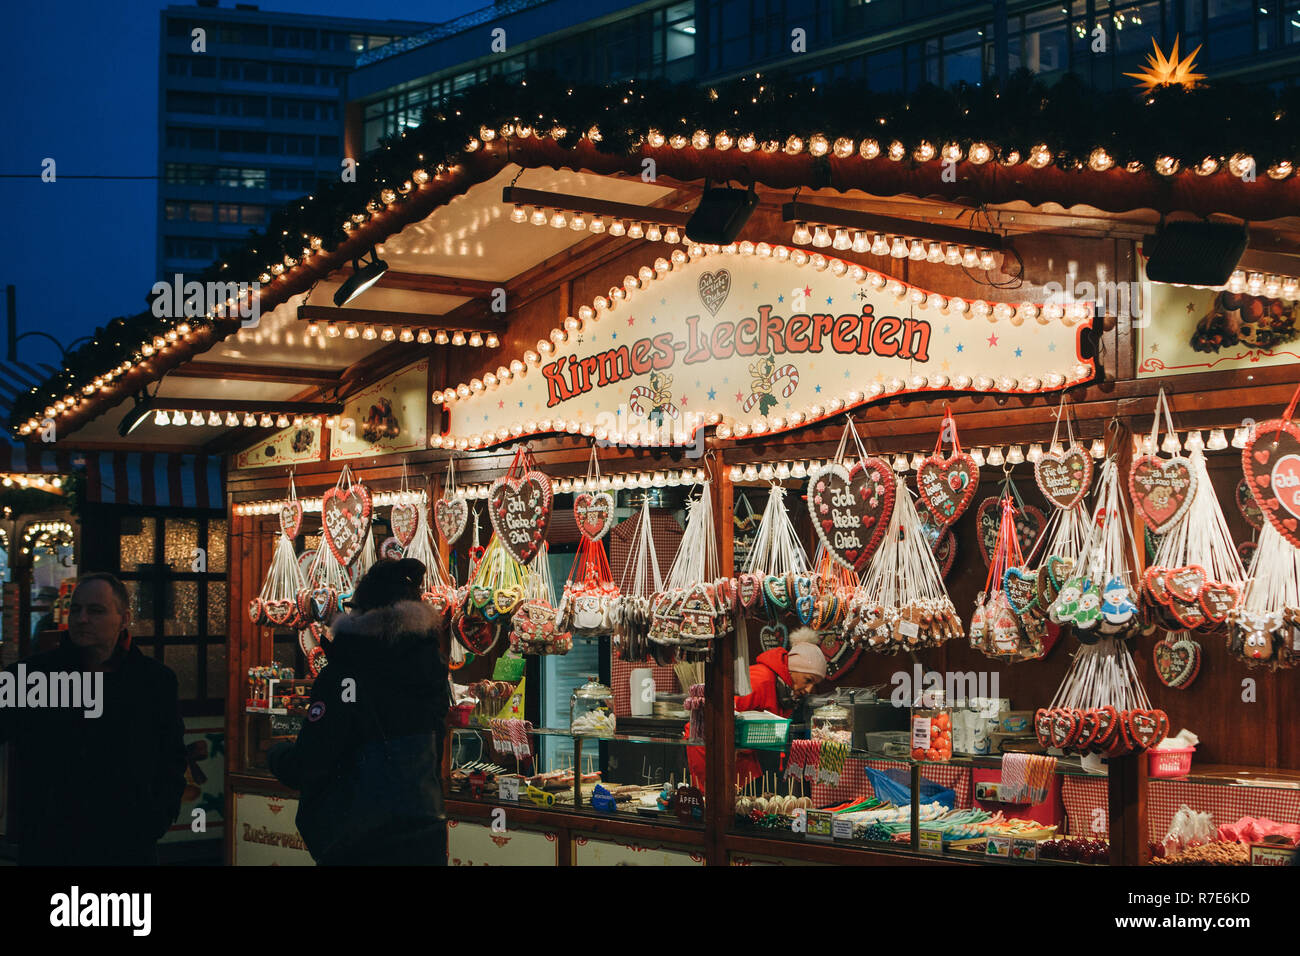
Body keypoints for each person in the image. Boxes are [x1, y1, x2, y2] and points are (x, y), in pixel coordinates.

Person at [269, 557, 449, 865]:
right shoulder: (430, 670)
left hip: (359, 842)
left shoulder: (344, 674)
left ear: (359, 614)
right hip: (423, 836)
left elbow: (313, 761)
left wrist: (278, 756)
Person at [0, 572, 187, 865]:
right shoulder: (32, 678)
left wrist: (156, 819)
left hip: (126, 842)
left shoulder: (154, 681)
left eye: (96, 610)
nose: (82, 618)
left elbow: (171, 758)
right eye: (76, 609)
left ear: (123, 619)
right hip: (50, 841)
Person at [687, 628, 828, 789]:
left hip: (742, 765)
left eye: (814, 684)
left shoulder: (785, 691)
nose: (809, 690)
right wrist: (709, 787)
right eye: (808, 680)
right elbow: (711, 722)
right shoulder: (761, 681)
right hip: (714, 760)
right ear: (793, 669)